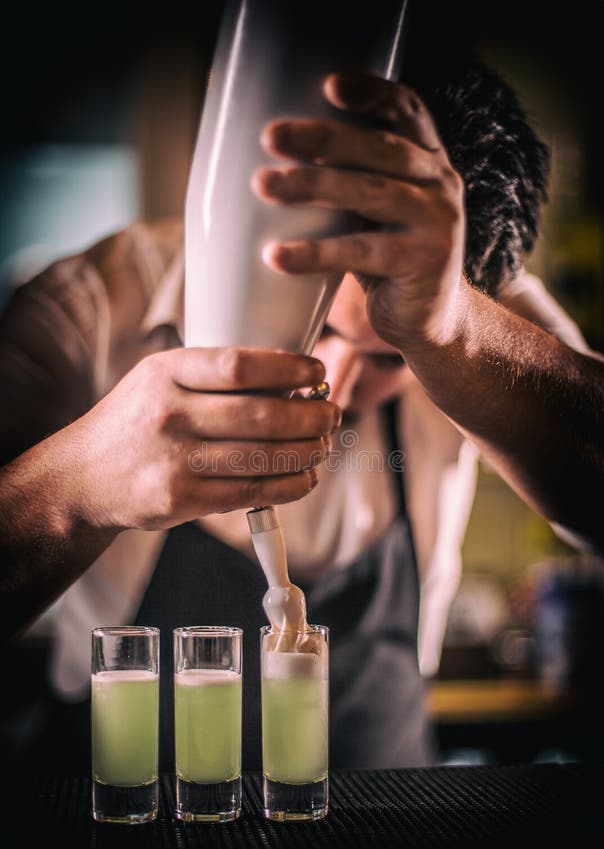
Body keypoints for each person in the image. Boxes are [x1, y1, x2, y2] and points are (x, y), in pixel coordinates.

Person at [0, 34, 602, 774]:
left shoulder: (472, 281)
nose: (332, 391)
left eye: (389, 358)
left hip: (396, 823)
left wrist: (455, 330)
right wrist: (79, 486)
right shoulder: (89, 307)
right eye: (317, 334)